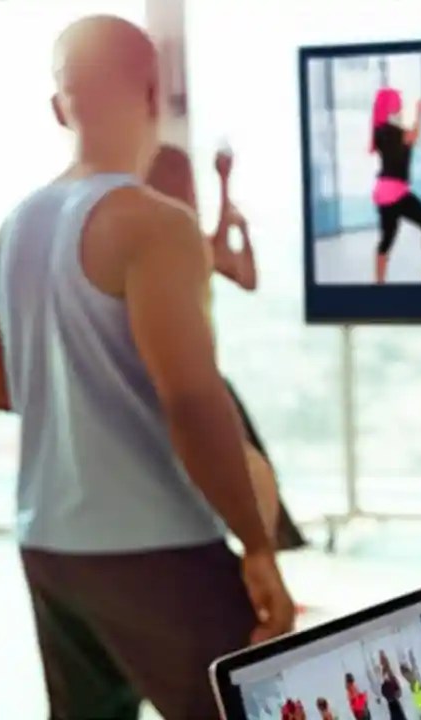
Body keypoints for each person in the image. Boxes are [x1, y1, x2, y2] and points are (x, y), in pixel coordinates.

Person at [0, 16, 294, 718]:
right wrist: (259, 546)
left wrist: (84, 402)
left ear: (60, 107)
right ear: (153, 93)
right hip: (156, 549)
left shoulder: (13, 226)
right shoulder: (153, 223)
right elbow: (193, 402)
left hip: (51, 548)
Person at [146, 142, 307, 552]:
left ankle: (263, 555)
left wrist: (232, 204)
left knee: (246, 468)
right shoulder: (157, 246)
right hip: (179, 384)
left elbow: (244, 274)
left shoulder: (189, 242)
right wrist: (224, 187)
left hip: (204, 379)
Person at [371, 87, 421, 284]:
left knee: (388, 239)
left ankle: (380, 284)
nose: (399, 103)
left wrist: (416, 118)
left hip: (388, 191)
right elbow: (412, 136)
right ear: (388, 105)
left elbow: (409, 139)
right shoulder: (387, 130)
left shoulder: (381, 131)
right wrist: (419, 114)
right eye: (396, 101)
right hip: (394, 192)